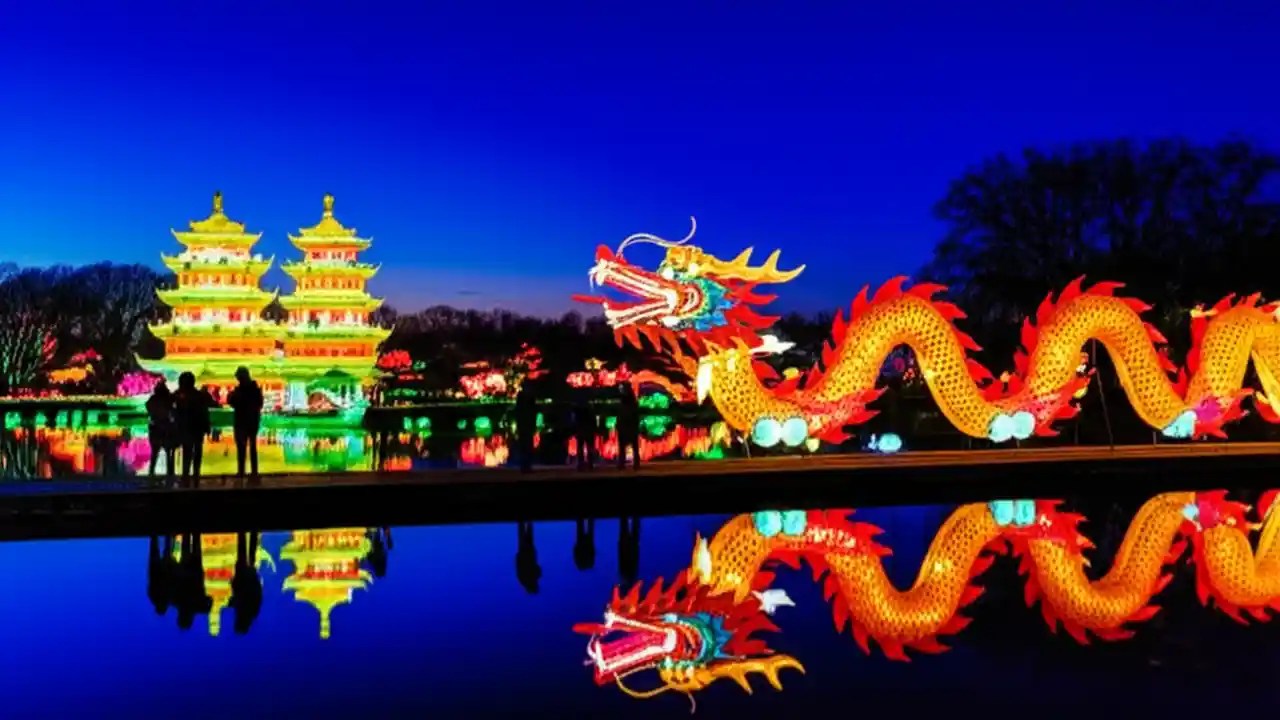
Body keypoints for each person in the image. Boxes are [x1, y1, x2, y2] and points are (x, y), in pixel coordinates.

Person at [173, 372, 216, 485]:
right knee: (197, 451)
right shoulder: (199, 395)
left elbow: (173, 409)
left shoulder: (179, 395)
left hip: (187, 428)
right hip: (196, 428)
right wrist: (207, 426)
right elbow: (205, 411)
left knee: (187, 451)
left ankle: (186, 475)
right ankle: (195, 474)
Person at [227, 366, 264, 481]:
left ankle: (242, 471)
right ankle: (253, 472)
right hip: (252, 421)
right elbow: (259, 404)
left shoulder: (240, 391)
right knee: (252, 448)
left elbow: (232, 402)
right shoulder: (255, 389)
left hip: (242, 421)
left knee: (242, 448)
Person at [145, 383, 177, 480]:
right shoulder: (168, 399)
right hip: (166, 428)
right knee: (169, 453)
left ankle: (151, 473)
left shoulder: (153, 400)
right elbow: (173, 409)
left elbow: (148, 407)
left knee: (155, 453)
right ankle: (170, 473)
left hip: (156, 427)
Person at [616, 383, 641, 470]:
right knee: (631, 445)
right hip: (628, 426)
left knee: (627, 445)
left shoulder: (625, 401)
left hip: (627, 425)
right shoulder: (630, 401)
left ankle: (624, 463)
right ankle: (631, 463)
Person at [514, 384, 538, 472]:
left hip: (526, 424)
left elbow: (533, 411)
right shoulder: (525, 397)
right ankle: (525, 466)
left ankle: (526, 465)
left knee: (526, 446)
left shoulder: (526, 397)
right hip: (525, 424)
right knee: (525, 446)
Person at [571, 391, 597, 470]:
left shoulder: (577, 410)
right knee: (589, 447)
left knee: (581, 448)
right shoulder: (590, 409)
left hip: (581, 430)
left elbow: (575, 420)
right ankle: (589, 464)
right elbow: (593, 420)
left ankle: (581, 464)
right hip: (588, 430)